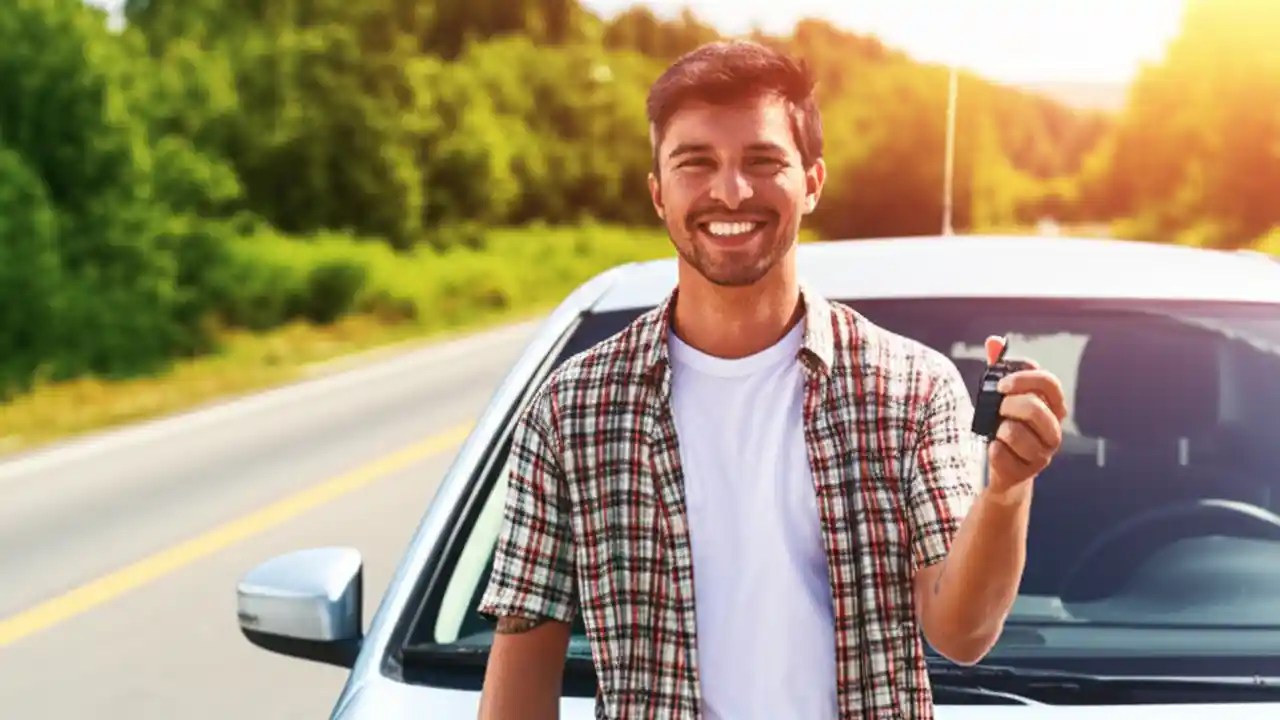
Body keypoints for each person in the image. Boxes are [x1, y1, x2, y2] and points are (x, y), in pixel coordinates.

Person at [476, 39, 1068, 720]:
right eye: (696, 163)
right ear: (657, 193)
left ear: (812, 182)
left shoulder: (913, 390)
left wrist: (1006, 490)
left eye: (763, 161)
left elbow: (960, 632)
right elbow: (524, 651)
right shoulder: (570, 411)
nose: (731, 191)